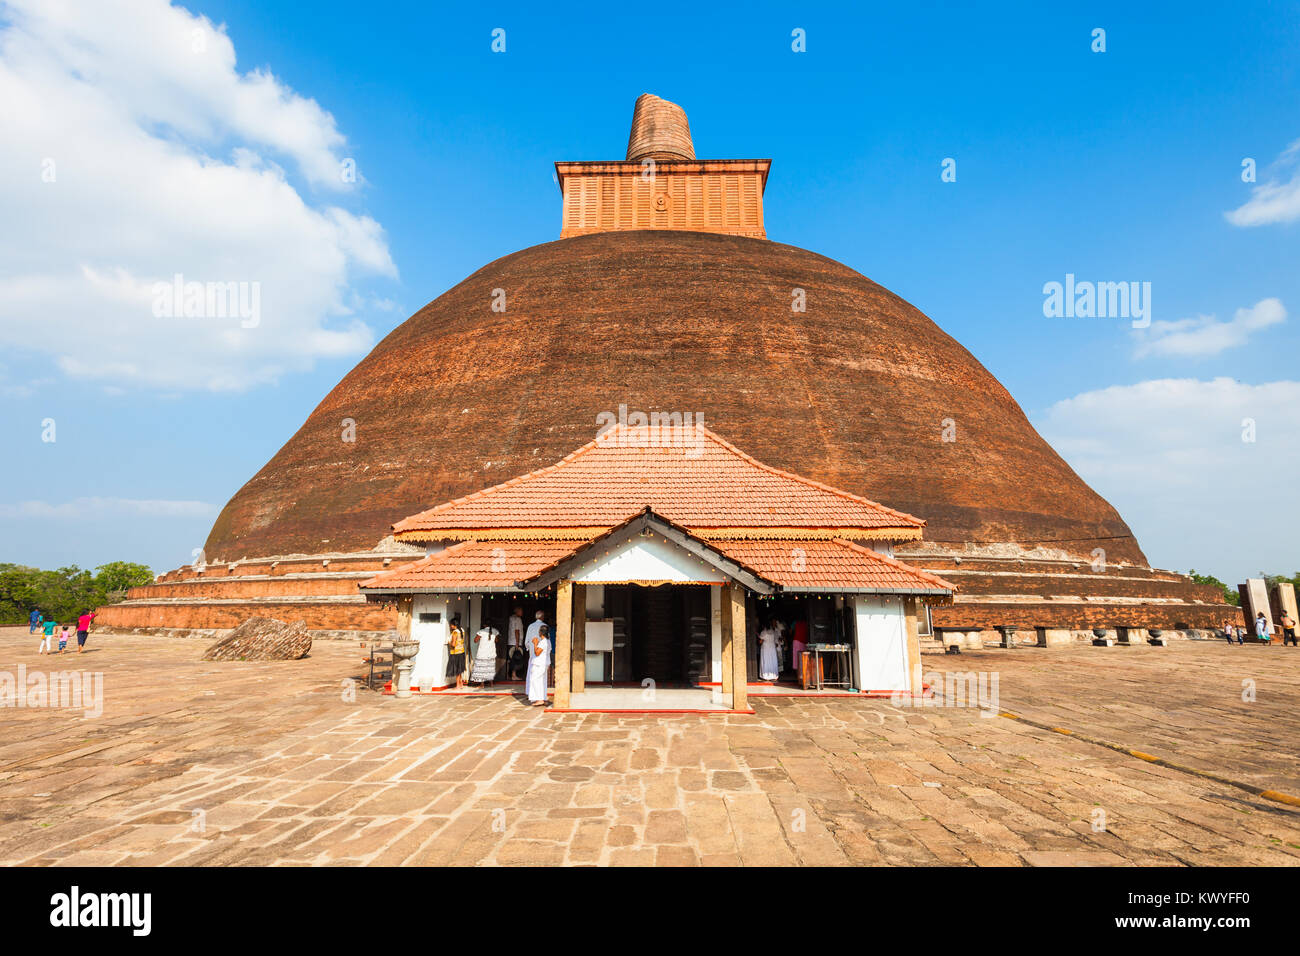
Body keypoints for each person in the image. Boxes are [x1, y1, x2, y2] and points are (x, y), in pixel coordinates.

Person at [526, 622, 551, 707]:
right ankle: (543, 698)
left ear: (540, 632)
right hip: (543, 664)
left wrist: (535, 643)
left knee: (535, 681)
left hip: (539, 664)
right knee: (541, 681)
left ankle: (539, 699)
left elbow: (537, 653)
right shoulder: (548, 641)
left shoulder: (543, 642)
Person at [446, 614, 467, 689]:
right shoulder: (462, 630)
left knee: (457, 669)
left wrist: (449, 642)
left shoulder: (455, 632)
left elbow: (453, 644)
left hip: (455, 653)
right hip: (461, 651)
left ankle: (458, 685)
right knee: (460, 668)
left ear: (454, 625)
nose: (450, 626)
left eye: (451, 625)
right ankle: (460, 683)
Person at [506, 606, 525, 679]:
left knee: (510, 658)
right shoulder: (518, 619)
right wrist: (517, 642)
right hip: (515, 642)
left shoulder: (511, 618)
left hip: (510, 641)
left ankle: (507, 675)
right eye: (521, 611)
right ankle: (514, 675)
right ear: (517, 611)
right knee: (515, 658)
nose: (522, 612)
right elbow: (517, 631)